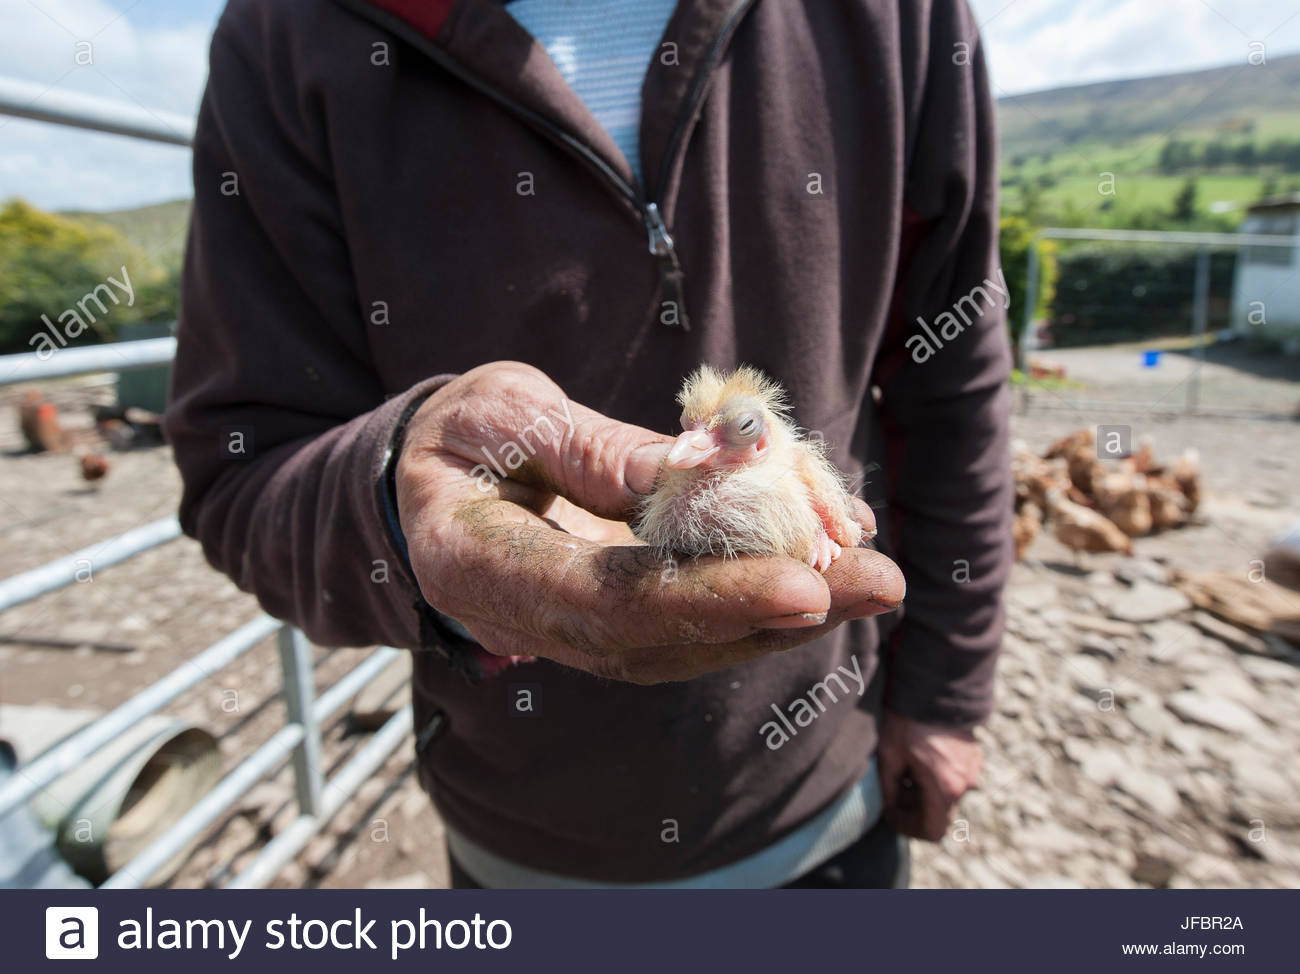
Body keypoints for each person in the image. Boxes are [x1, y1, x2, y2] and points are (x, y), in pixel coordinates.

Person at [165, 0, 1012, 888]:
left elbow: (952, 386)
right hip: (526, 842)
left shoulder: (895, 17)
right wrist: (399, 511)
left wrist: (946, 697)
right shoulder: (286, 32)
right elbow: (241, 469)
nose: (693, 446)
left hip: (826, 799)